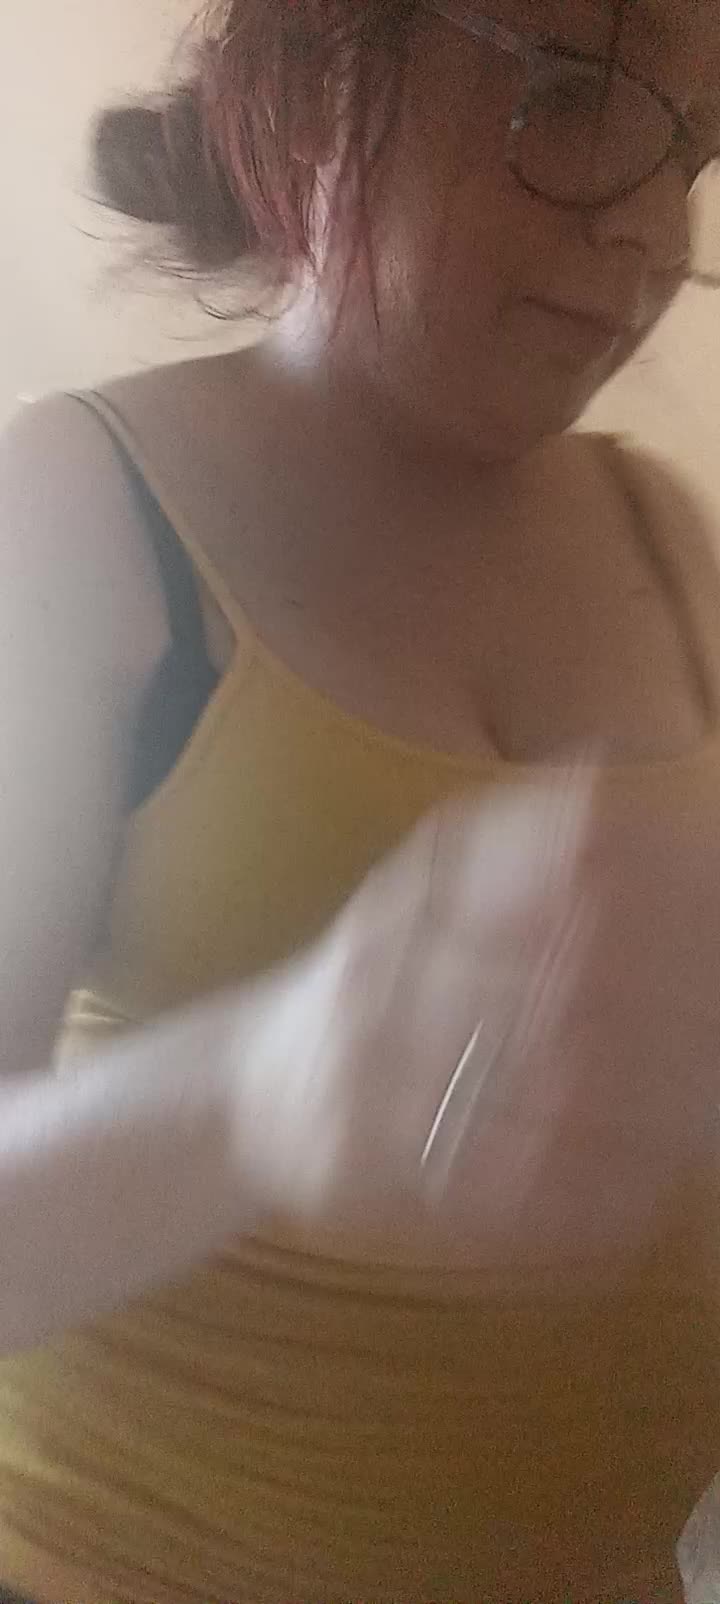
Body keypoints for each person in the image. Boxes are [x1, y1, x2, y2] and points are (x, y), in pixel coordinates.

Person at [1, 0, 720, 1598]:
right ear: (323, 76)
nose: (657, 235)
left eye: (693, 147)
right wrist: (262, 1086)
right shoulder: (74, 504)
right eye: (578, 96)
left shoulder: (668, 535)